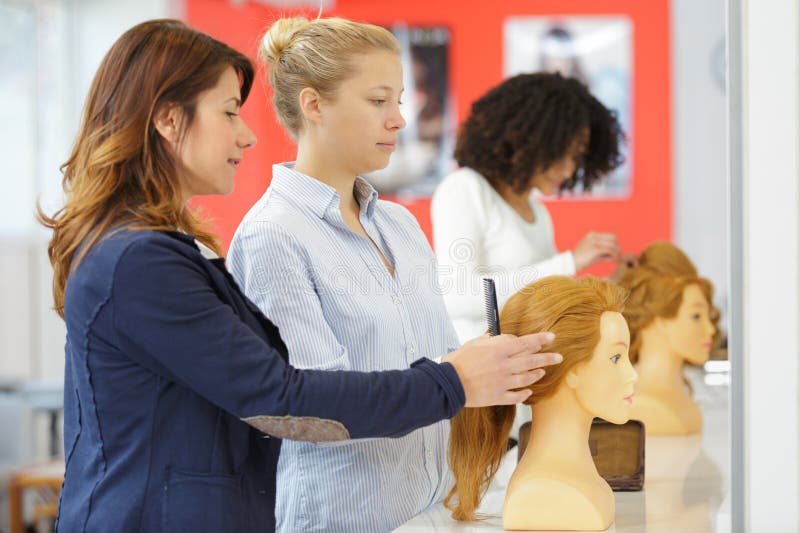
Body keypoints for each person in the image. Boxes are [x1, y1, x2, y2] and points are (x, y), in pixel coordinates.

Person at [38, 19, 561, 532]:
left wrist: (481, 379)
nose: (246, 136)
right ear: (168, 120)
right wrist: (453, 381)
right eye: (228, 113)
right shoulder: (144, 261)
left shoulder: (164, 252)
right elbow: (285, 401)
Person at [225, 16, 556, 533]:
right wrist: (457, 377)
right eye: (379, 101)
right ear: (314, 105)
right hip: (343, 520)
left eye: (398, 100)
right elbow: (314, 408)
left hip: (434, 510)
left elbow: (440, 364)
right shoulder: (273, 235)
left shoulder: (398, 224)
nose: (399, 119)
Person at [431, 72, 628, 345]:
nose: (569, 168)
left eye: (576, 157)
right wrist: (569, 262)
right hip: (477, 374)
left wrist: (612, 282)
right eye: (559, 153)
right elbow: (457, 298)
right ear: (525, 139)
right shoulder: (465, 188)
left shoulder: (538, 212)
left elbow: (546, 297)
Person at [445, 276, 637, 530]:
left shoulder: (582, 483)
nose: (632, 374)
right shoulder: (540, 494)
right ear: (569, 368)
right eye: (615, 357)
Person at [616, 242, 718, 435]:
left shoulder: (683, 402)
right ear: (659, 318)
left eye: (708, 316)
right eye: (696, 316)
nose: (710, 329)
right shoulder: (640, 408)